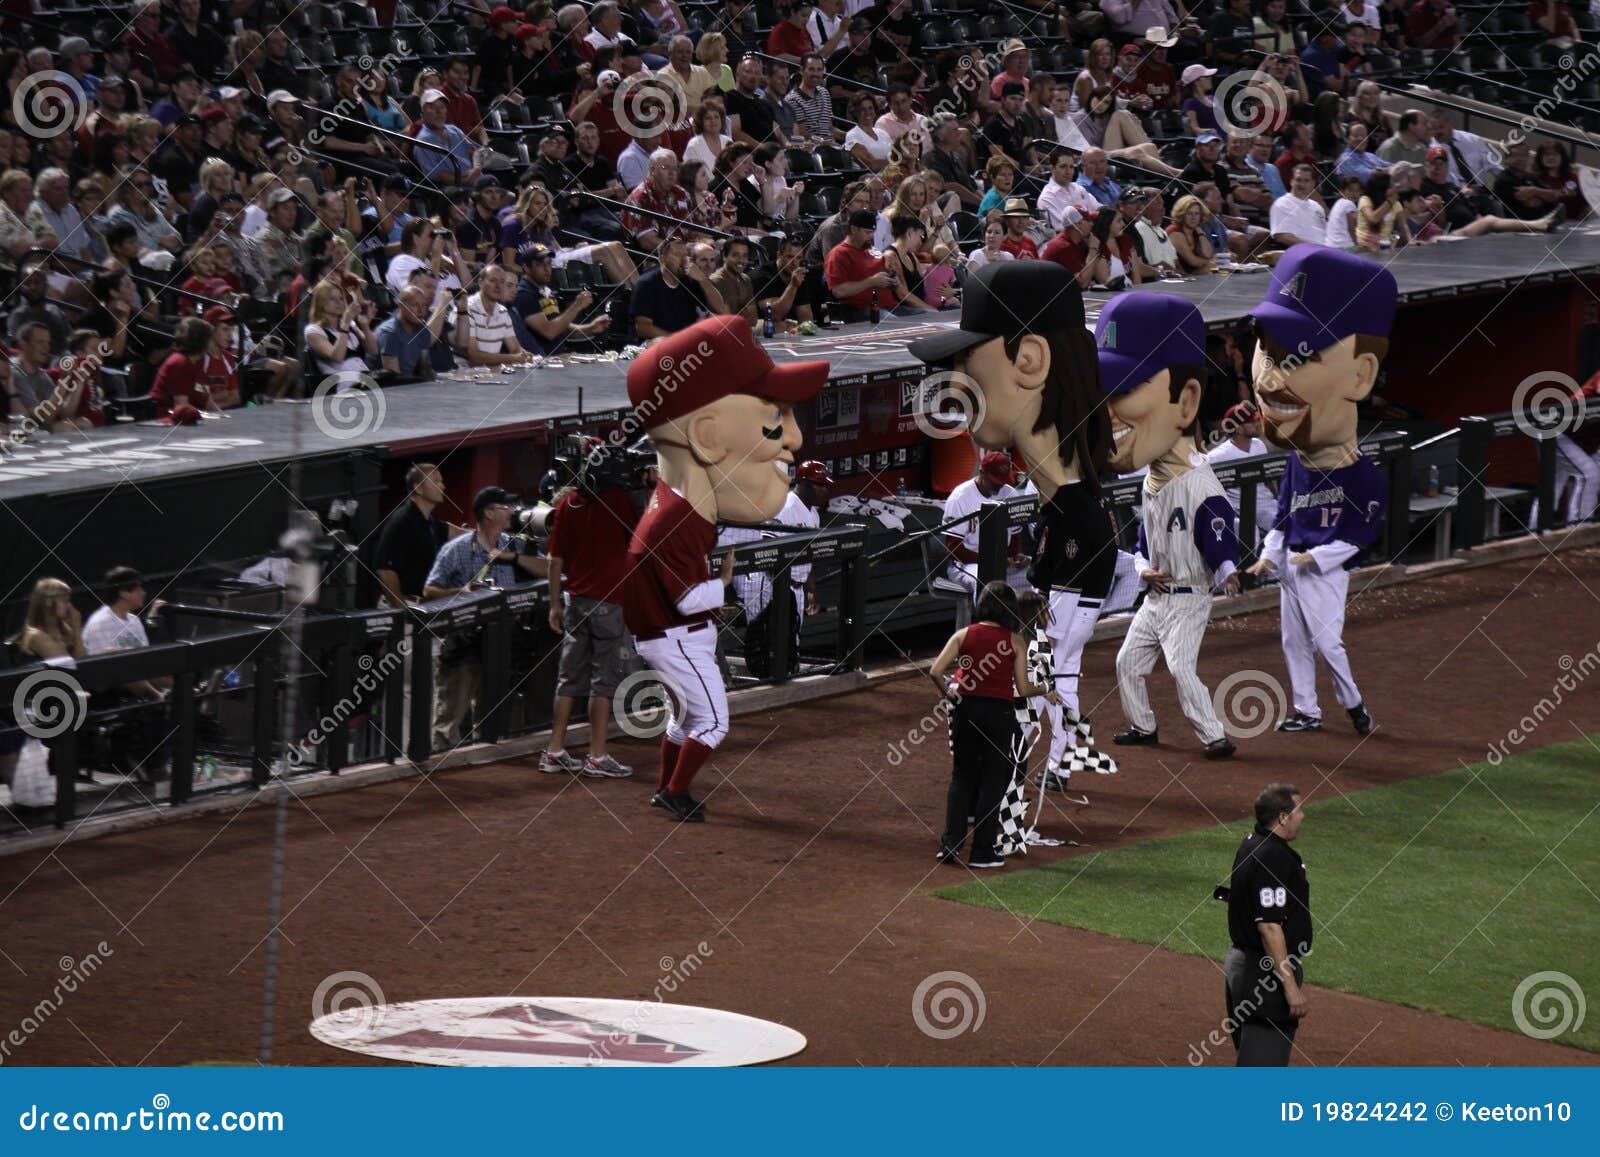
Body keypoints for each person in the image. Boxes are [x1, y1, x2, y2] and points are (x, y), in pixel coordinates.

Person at [908, 262, 1121, 796]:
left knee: (1048, 675)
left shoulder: (1077, 511)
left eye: (967, 362)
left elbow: (1060, 633)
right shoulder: (1062, 503)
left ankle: (1027, 769)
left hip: (1072, 581)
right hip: (1071, 569)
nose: (956, 383)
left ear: (1029, 359)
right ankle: (1053, 763)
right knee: (1056, 675)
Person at [622, 316, 828, 822]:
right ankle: (675, 792)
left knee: (682, 719)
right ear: (707, 435)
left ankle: (667, 786)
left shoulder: (677, 503)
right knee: (713, 722)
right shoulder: (676, 520)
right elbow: (688, 599)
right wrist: (727, 585)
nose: (793, 440)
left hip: (668, 633)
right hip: (675, 633)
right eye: (774, 421)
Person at [1245, 245, 1388, 737]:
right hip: (1294, 564)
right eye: (1269, 352)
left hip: (1325, 573)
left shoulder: (1359, 471)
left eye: (1299, 357)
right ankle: (1306, 710)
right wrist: (1269, 555)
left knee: (1329, 643)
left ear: (1361, 375)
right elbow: (1284, 517)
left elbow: (1362, 532)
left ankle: (1355, 706)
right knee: (1291, 641)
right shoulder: (1296, 463)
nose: (1270, 376)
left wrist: (1315, 558)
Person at [1096, 294, 1241, 760]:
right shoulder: (1150, 482)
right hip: (1156, 596)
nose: (1109, 414)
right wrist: (1141, 571)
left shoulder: (1202, 487)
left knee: (1180, 667)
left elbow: (1218, 542)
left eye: (1124, 395)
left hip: (1188, 597)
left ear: (1187, 402)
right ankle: (1143, 726)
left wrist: (1229, 574)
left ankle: (1214, 736)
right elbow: (1142, 542)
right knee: (1126, 662)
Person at [927, 581, 1060, 868]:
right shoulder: (1015, 641)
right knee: (993, 781)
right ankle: (983, 852)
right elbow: (1023, 689)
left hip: (966, 710)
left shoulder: (964, 634)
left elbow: (935, 671)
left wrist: (950, 695)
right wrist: (1045, 688)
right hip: (999, 714)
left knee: (961, 777)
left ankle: (950, 843)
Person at [423, 485, 548, 751]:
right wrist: (464, 591)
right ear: (489, 513)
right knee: (448, 721)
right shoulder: (456, 550)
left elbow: (548, 569)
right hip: (462, 642)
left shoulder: (512, 544)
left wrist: (514, 558)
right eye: (505, 507)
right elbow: (429, 592)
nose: (512, 511)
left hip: (500, 642)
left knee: (491, 720)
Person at [541, 445, 641, 780]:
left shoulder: (567, 504)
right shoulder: (618, 502)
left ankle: (555, 751)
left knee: (568, 678)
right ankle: (597, 756)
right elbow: (640, 542)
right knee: (603, 682)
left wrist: (555, 604)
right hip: (609, 604)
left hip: (575, 602)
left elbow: (555, 561)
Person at [1224, 783, 1313, 1066]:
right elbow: (1270, 927)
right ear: (1283, 817)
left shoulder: (1252, 842)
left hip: (1247, 965)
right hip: (1264, 971)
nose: (1304, 816)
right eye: (1299, 810)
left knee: (1254, 1057)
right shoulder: (1271, 855)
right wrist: (1289, 986)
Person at [942, 452, 1032, 599]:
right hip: (967, 565)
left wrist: (1015, 557)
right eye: (994, 481)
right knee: (987, 582)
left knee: (1037, 574)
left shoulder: (1010, 493)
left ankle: (1028, 620)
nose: (999, 487)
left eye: (1002, 481)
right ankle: (986, 621)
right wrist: (994, 561)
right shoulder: (960, 497)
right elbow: (953, 549)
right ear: (981, 473)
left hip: (1003, 564)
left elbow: (1015, 537)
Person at [374, 463, 456, 607]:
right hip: (405, 605)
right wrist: (402, 610)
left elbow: (453, 532)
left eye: (441, 481)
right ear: (418, 487)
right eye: (436, 481)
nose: (443, 486)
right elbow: (386, 571)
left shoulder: (431, 521)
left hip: (423, 606)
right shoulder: (401, 522)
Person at [1207, 401, 1280, 551]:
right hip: (1242, 508)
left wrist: (1276, 496)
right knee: (1282, 525)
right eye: (1252, 422)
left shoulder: (1259, 444)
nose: (1258, 423)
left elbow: (1268, 480)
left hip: (1267, 502)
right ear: (1238, 428)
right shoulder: (1218, 456)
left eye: (1257, 420)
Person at [630, 233, 727, 339]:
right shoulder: (647, 283)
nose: (683, 259)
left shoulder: (691, 281)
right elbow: (643, 327)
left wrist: (702, 279)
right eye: (677, 254)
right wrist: (678, 341)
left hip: (688, 343)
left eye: (686, 255)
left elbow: (720, 309)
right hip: (658, 344)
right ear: (662, 259)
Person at [823, 208, 897, 322]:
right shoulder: (839, 254)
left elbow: (885, 275)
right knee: (895, 323)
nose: (872, 236)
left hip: (891, 307)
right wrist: (872, 281)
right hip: (861, 310)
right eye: (867, 232)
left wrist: (892, 280)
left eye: (873, 232)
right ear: (853, 229)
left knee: (927, 315)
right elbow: (838, 291)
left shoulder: (871, 249)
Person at [13, 578, 84, 663]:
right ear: (48, 603)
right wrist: (76, 627)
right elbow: (71, 665)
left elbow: (85, 660)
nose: (69, 606)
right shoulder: (35, 635)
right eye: (64, 601)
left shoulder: (66, 630)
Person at [1269, 164, 1330, 248]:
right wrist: (1312, 247)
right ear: (1291, 182)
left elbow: (1326, 233)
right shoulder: (1281, 204)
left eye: (1306, 180)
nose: (1302, 184)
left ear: (1313, 184)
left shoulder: (1316, 206)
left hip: (1325, 249)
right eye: (1298, 180)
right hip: (1303, 251)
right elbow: (1281, 236)